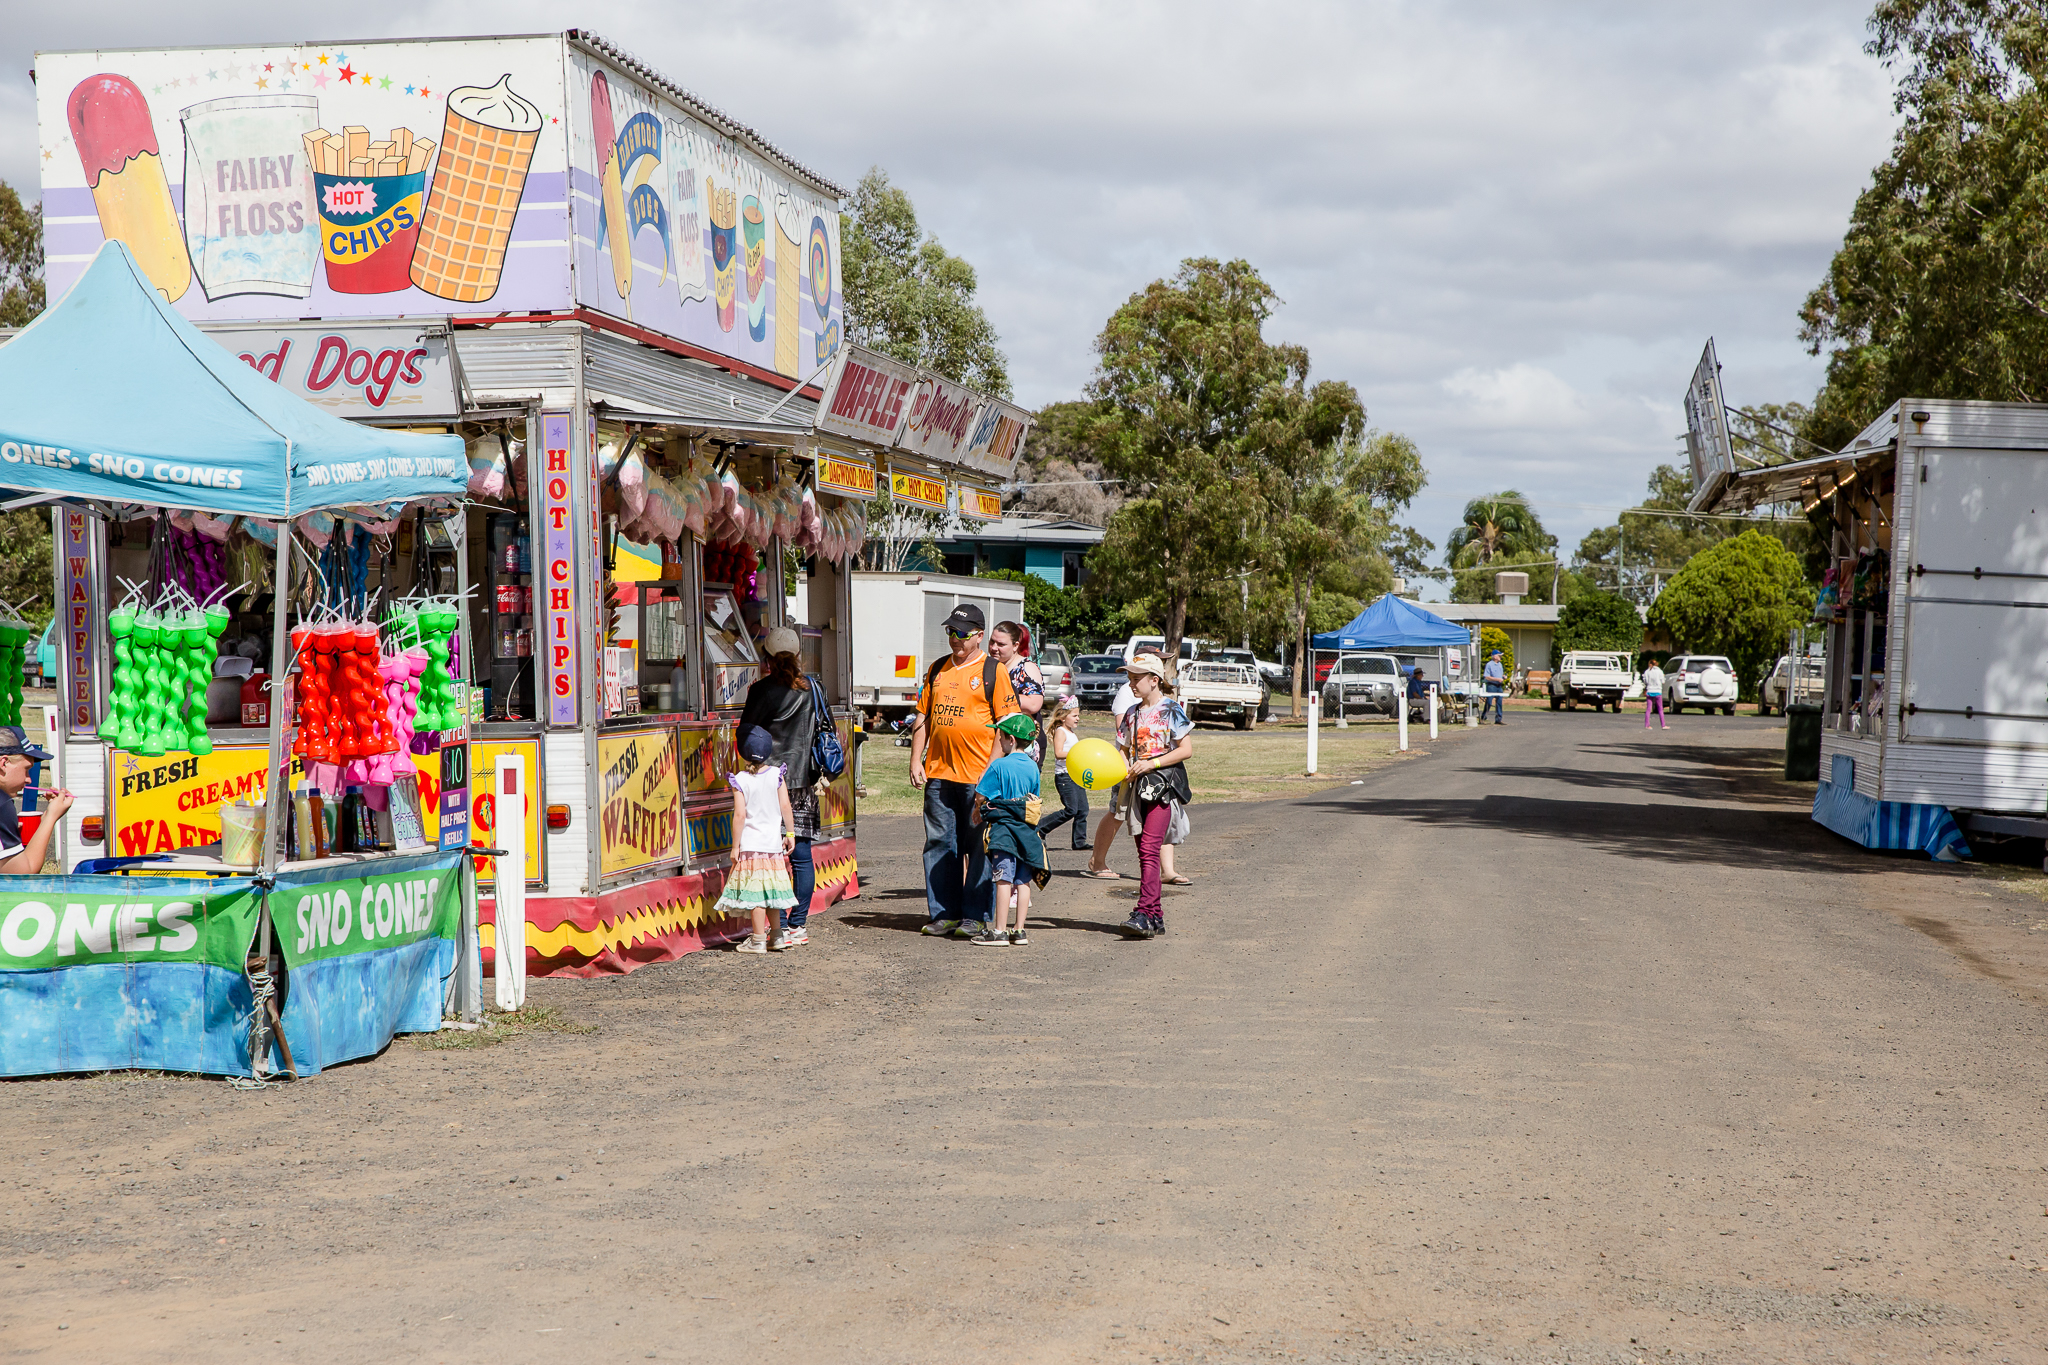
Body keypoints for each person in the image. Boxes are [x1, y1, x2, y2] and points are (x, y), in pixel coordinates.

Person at [909, 603, 1020, 938]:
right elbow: (922, 717)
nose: (955, 638)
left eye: (962, 632)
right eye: (950, 631)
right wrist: (916, 759)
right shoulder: (937, 669)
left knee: (979, 847)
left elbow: (1007, 726)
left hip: (978, 778)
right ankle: (944, 915)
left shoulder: (993, 671)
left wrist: (990, 772)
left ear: (979, 635)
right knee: (940, 844)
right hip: (939, 775)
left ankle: (975, 916)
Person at [738, 626, 822, 947]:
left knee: (768, 856)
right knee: (801, 855)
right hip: (804, 781)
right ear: (798, 654)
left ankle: (778, 929)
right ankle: (797, 925)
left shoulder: (761, 690)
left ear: (767, 658)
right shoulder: (814, 688)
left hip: (770, 782)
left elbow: (746, 736)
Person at [1116, 655, 1193, 939]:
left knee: (1150, 848)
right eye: (1130, 678)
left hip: (1162, 789)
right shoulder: (1131, 713)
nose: (1132, 684)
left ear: (1154, 680)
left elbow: (1185, 749)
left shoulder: (1171, 709)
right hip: (1138, 789)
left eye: (1137, 678)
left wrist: (1152, 763)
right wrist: (1125, 768)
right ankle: (1156, 915)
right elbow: (1122, 749)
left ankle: (1143, 912)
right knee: (1143, 852)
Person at [717, 726, 797, 954]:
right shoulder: (776, 774)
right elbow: (785, 806)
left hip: (751, 847)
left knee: (756, 895)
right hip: (772, 847)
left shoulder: (740, 779)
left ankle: (758, 939)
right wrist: (790, 834)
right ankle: (777, 935)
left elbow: (740, 815)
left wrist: (735, 847)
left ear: (743, 752)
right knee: (771, 892)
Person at [972, 713, 1048, 946]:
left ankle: (999, 931)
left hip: (1003, 831)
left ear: (1011, 740)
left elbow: (981, 795)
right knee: (1023, 881)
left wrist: (978, 808)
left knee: (1003, 879)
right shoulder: (1033, 767)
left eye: (1001, 737)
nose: (999, 741)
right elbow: (1033, 798)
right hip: (1026, 832)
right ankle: (1019, 930)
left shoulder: (999, 765)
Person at [0, 727, 69, 874]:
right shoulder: (2, 805)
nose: (28, 780)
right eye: (26, 769)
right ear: (4, 763)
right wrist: (50, 817)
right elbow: (23, 874)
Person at [1036, 696, 1091, 851]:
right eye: (1074, 715)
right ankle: (1040, 828)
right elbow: (1059, 753)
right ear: (1062, 717)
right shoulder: (1061, 731)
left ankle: (1079, 842)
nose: (1078, 718)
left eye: (1078, 715)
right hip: (1064, 777)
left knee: (1083, 810)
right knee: (1071, 809)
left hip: (1075, 775)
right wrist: (1077, 753)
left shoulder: (1071, 733)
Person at [989, 621, 1046, 767]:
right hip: (996, 742)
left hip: (1020, 745)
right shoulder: (990, 667)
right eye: (992, 642)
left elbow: (1034, 704)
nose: (994, 648)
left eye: (1001, 644)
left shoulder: (1026, 668)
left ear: (1015, 646)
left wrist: (1001, 697)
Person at [1481, 650, 1507, 724]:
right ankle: (1483, 717)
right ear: (1495, 656)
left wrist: (1503, 677)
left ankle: (1498, 719)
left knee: (1499, 703)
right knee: (1489, 702)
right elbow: (1487, 677)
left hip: (1499, 686)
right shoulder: (1489, 665)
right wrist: (1497, 679)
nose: (1500, 657)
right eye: (1499, 656)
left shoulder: (1500, 664)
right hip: (1491, 686)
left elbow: (1499, 674)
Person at [1642, 657, 1668, 730]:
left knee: (1648, 709)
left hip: (1649, 691)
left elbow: (1645, 681)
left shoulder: (1647, 672)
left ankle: (1647, 725)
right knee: (1660, 709)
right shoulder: (1659, 671)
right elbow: (1663, 681)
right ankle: (1663, 725)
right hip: (1657, 691)